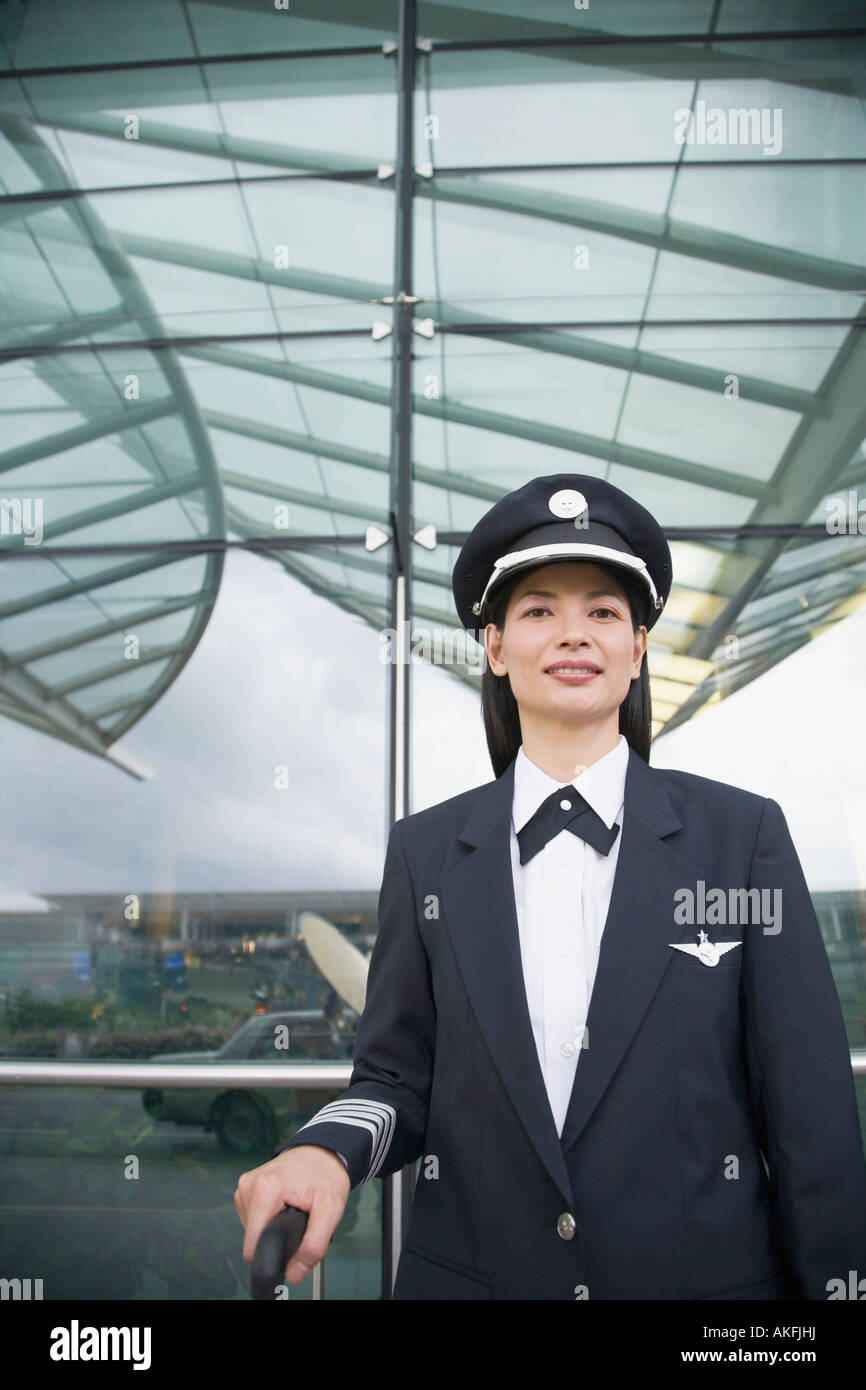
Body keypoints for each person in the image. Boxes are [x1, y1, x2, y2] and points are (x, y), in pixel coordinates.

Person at [234, 473, 866, 1300]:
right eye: (538, 610)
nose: (574, 634)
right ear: (495, 647)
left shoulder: (741, 840)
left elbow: (809, 1111)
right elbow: (395, 1076)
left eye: (603, 612)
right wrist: (324, 1149)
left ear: (638, 648)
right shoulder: (425, 852)